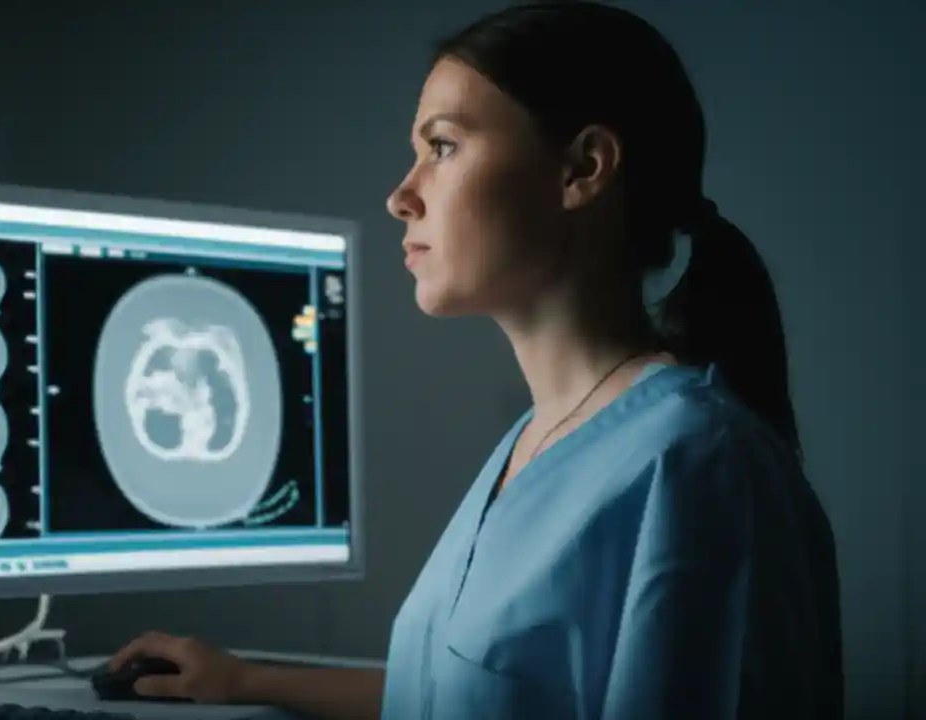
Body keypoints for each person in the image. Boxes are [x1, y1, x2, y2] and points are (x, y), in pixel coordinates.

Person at [106, 1, 844, 718]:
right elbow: (468, 696)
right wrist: (244, 680)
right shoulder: (539, 441)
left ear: (582, 168)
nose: (401, 196)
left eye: (444, 146)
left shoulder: (697, 464)